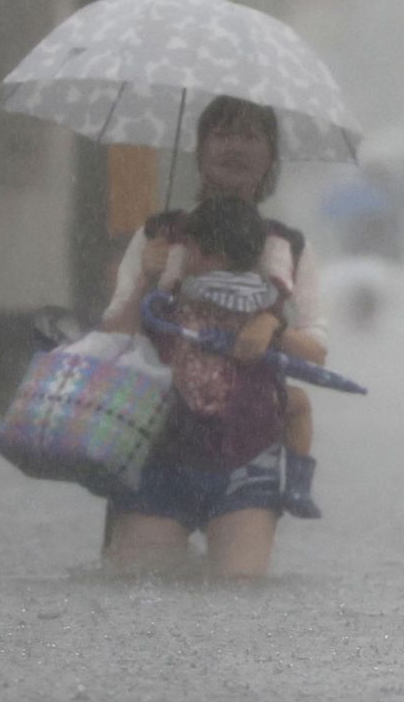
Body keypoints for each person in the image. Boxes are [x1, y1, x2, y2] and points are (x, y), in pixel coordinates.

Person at [99, 96, 328, 578]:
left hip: (249, 453)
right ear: (200, 150)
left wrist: (274, 327)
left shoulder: (288, 246)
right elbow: (112, 339)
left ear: (271, 157)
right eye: (223, 134)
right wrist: (145, 280)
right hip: (156, 450)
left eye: (251, 136)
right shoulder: (159, 237)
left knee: (239, 591)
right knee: (137, 592)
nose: (236, 148)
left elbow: (317, 350)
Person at [159, 195, 327, 519]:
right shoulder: (262, 297)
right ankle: (297, 486)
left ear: (200, 250)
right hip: (244, 408)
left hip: (183, 403)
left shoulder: (184, 291)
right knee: (300, 403)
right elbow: (311, 350)